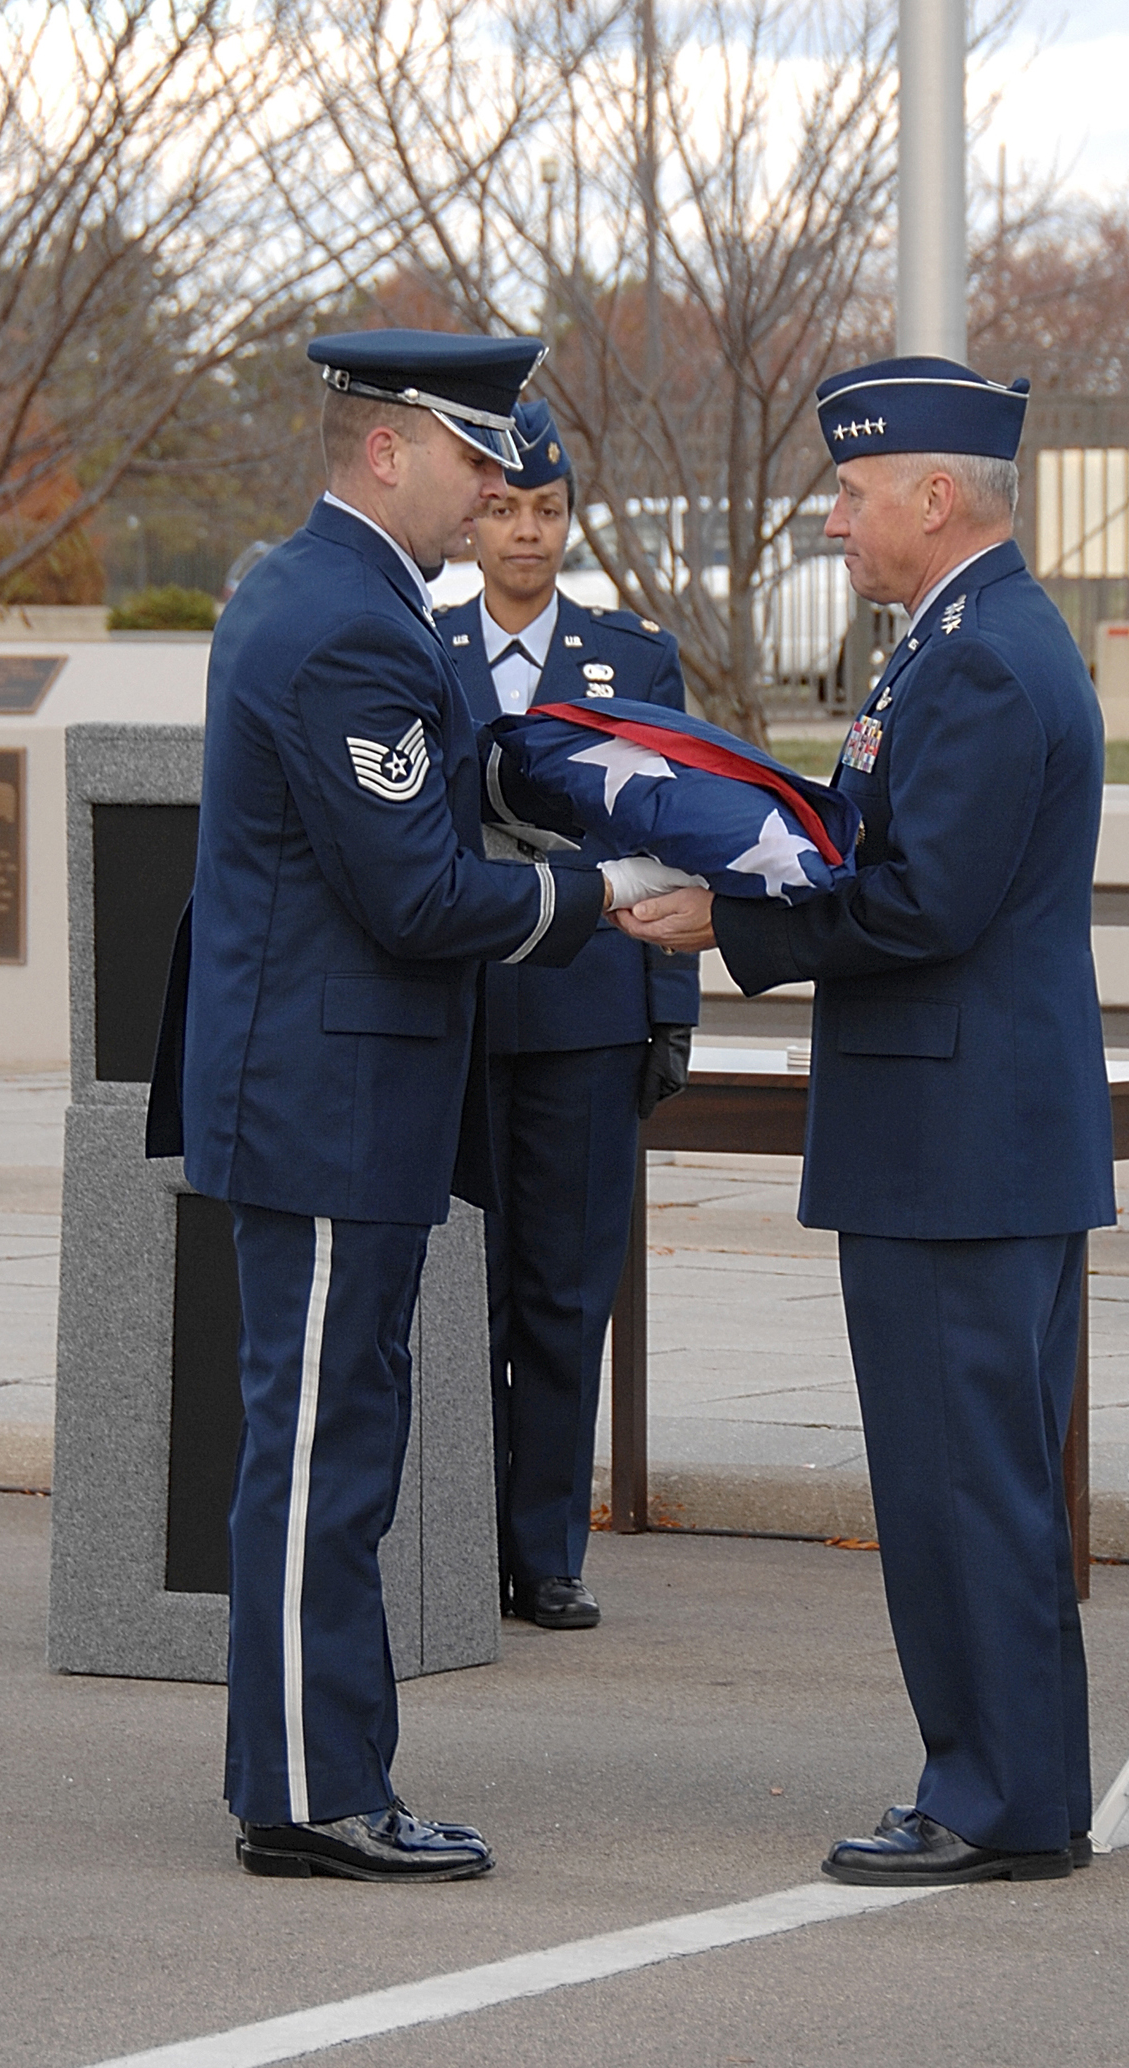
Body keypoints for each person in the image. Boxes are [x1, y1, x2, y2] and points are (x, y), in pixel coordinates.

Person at [146, 329, 692, 1883]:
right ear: (391, 449)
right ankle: (316, 1798)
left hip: (329, 1091)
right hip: (334, 1101)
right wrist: (607, 889)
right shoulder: (351, 628)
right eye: (478, 458)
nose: (501, 486)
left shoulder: (324, 591)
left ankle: (305, 1773)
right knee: (326, 1453)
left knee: (333, 1440)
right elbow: (419, 894)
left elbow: (438, 804)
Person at [613, 355, 1115, 1887]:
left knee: (965, 1483)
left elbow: (926, 906)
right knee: (978, 1480)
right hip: (966, 1136)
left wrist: (734, 928)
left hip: (956, 1149)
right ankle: (1001, 1781)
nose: (835, 519)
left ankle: (996, 1800)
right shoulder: (958, 643)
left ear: (937, 496)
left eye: (852, 491)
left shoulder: (977, 659)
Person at [438, 400, 700, 1629]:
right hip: (459, 1011)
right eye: (503, 509)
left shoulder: (630, 658)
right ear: (471, 515)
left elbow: (676, 832)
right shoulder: (415, 644)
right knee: (462, 1285)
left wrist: (670, 1007)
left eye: (545, 511)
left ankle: (542, 1551)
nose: (525, 533)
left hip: (589, 1018)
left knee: (563, 1288)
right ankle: (450, 1536)